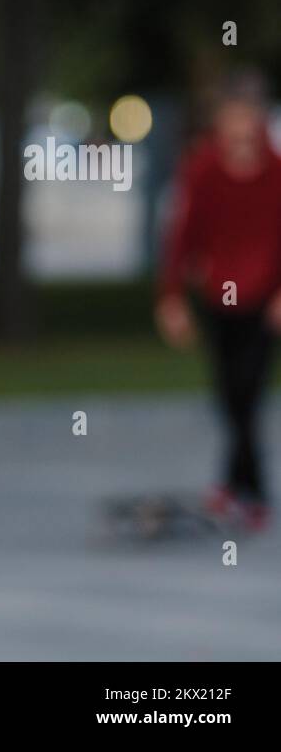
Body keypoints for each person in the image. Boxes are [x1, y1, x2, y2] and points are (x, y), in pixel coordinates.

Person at [156, 69, 281, 532]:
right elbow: (181, 236)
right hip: (219, 299)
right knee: (229, 395)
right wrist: (171, 298)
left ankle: (249, 491)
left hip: (263, 302)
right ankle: (237, 487)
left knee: (248, 394)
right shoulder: (203, 168)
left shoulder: (276, 171)